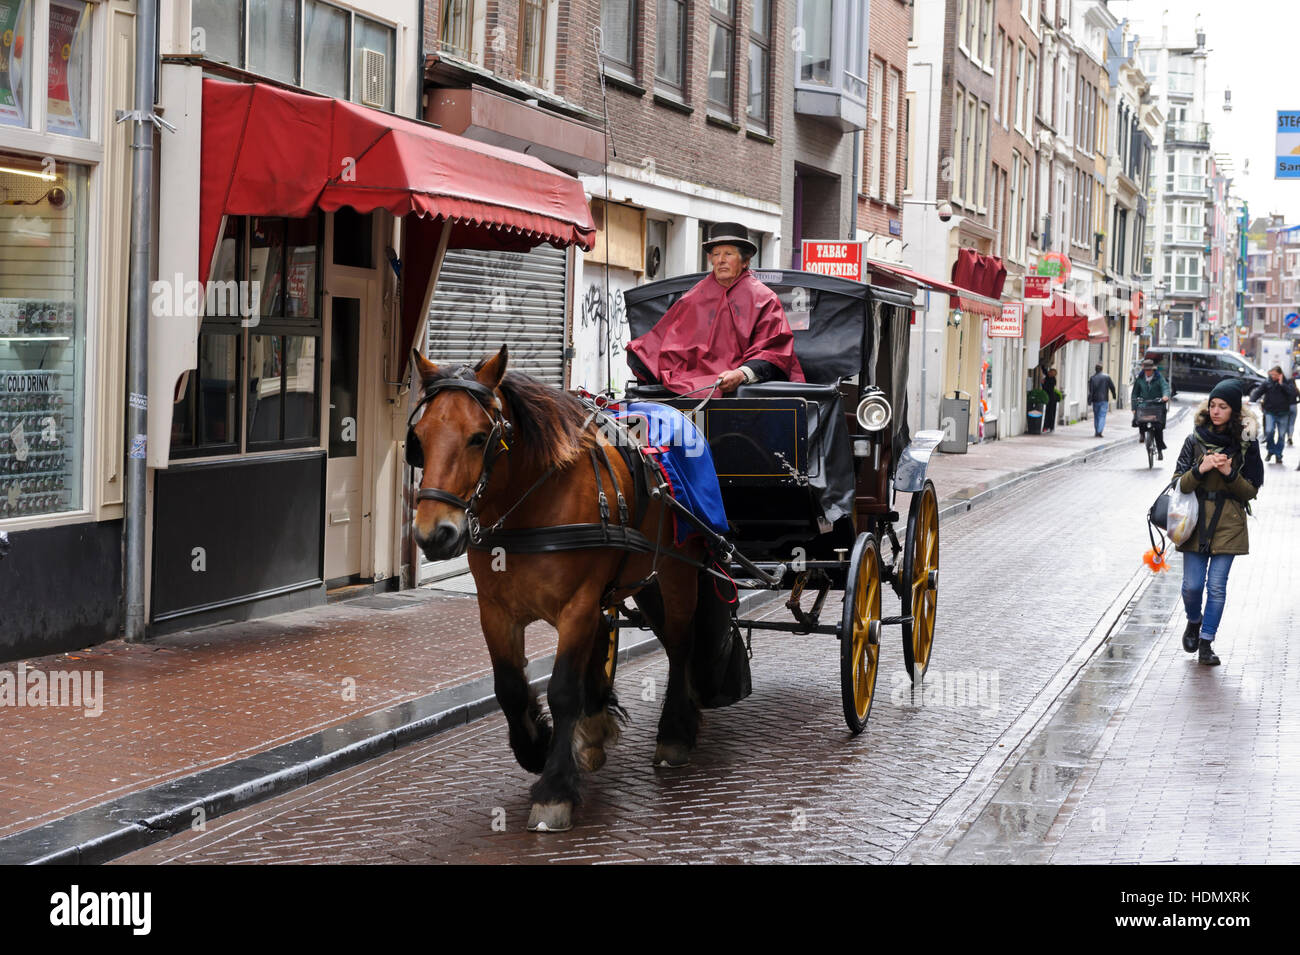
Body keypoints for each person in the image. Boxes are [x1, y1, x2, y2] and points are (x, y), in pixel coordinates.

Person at [627, 222, 804, 395]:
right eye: (716, 254)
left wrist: (741, 374)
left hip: (742, 389)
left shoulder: (764, 299)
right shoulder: (693, 297)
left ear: (746, 261)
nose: (720, 260)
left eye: (728, 254)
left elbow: (773, 351)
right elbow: (661, 344)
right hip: (692, 384)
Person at [1171, 379, 1263, 666]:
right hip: (1195, 521)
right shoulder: (1194, 440)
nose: (1216, 411)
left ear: (1234, 411)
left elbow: (1251, 491)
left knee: (1217, 587)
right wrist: (1200, 469)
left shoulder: (1246, 445)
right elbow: (1177, 484)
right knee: (1191, 586)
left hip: (1229, 522)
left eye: (1223, 406)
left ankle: (1207, 642)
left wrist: (1229, 473)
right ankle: (1194, 621)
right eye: (1212, 405)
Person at [1248, 366, 1299, 465]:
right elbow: (1258, 391)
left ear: (1280, 374)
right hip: (1270, 412)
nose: (1272, 376)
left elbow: (1292, 394)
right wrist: (1251, 400)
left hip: (1283, 413)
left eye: (1274, 375)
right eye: (1271, 374)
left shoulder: (1288, 381)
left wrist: (1281, 384)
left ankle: (1278, 455)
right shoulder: (1267, 382)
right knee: (1269, 431)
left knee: (1281, 435)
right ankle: (1271, 450)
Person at [1131, 357, 1171, 460]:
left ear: (1153, 369)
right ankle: (1142, 434)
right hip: (1145, 404)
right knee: (1139, 416)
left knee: (1158, 428)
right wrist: (1133, 407)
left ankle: (1160, 450)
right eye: (1146, 370)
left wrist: (1165, 396)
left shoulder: (1159, 378)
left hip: (1157, 405)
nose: (1148, 372)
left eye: (1149, 370)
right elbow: (1134, 393)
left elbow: (1165, 388)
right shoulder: (1140, 379)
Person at [1087, 363, 1117, 437]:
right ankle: (1099, 431)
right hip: (1104, 399)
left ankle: (1097, 431)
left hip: (1095, 400)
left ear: (1095, 369)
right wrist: (1114, 395)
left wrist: (1090, 400)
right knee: (1102, 415)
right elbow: (1112, 387)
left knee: (1096, 415)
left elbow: (1091, 391)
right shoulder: (1106, 377)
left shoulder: (1092, 378)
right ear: (1102, 369)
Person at [1041, 366, 1059, 433]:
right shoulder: (1049, 377)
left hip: (1050, 398)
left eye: (1050, 371)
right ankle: (1049, 427)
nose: (1048, 372)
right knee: (1049, 413)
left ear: (1052, 373)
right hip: (1050, 397)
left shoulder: (1052, 380)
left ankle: (1048, 426)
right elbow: (1045, 372)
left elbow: (1047, 388)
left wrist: (1042, 384)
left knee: (1049, 413)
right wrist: (1042, 366)